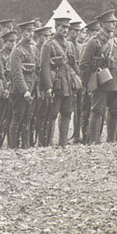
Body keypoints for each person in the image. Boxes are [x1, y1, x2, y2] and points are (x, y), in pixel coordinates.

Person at [80, 10, 117, 144]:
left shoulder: (115, 40)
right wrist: (88, 82)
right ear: (103, 23)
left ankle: (111, 140)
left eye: (114, 22)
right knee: (97, 110)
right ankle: (94, 140)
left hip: (115, 77)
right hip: (101, 78)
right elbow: (84, 64)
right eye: (110, 22)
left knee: (116, 110)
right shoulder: (94, 42)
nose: (114, 24)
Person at [39, 17, 77, 147]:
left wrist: (77, 79)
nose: (65, 30)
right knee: (53, 114)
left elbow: (74, 64)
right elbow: (44, 67)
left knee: (67, 113)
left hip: (68, 82)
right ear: (56, 28)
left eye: (66, 28)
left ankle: (62, 142)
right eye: (62, 27)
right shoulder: (48, 45)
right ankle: (47, 142)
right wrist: (48, 87)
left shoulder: (70, 45)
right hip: (56, 84)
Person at [8, 21, 38, 149]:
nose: (30, 34)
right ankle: (13, 146)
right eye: (27, 31)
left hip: (32, 87)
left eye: (31, 31)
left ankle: (25, 145)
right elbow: (17, 74)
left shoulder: (33, 49)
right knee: (17, 117)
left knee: (28, 117)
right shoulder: (17, 50)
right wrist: (25, 91)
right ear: (22, 33)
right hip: (20, 90)